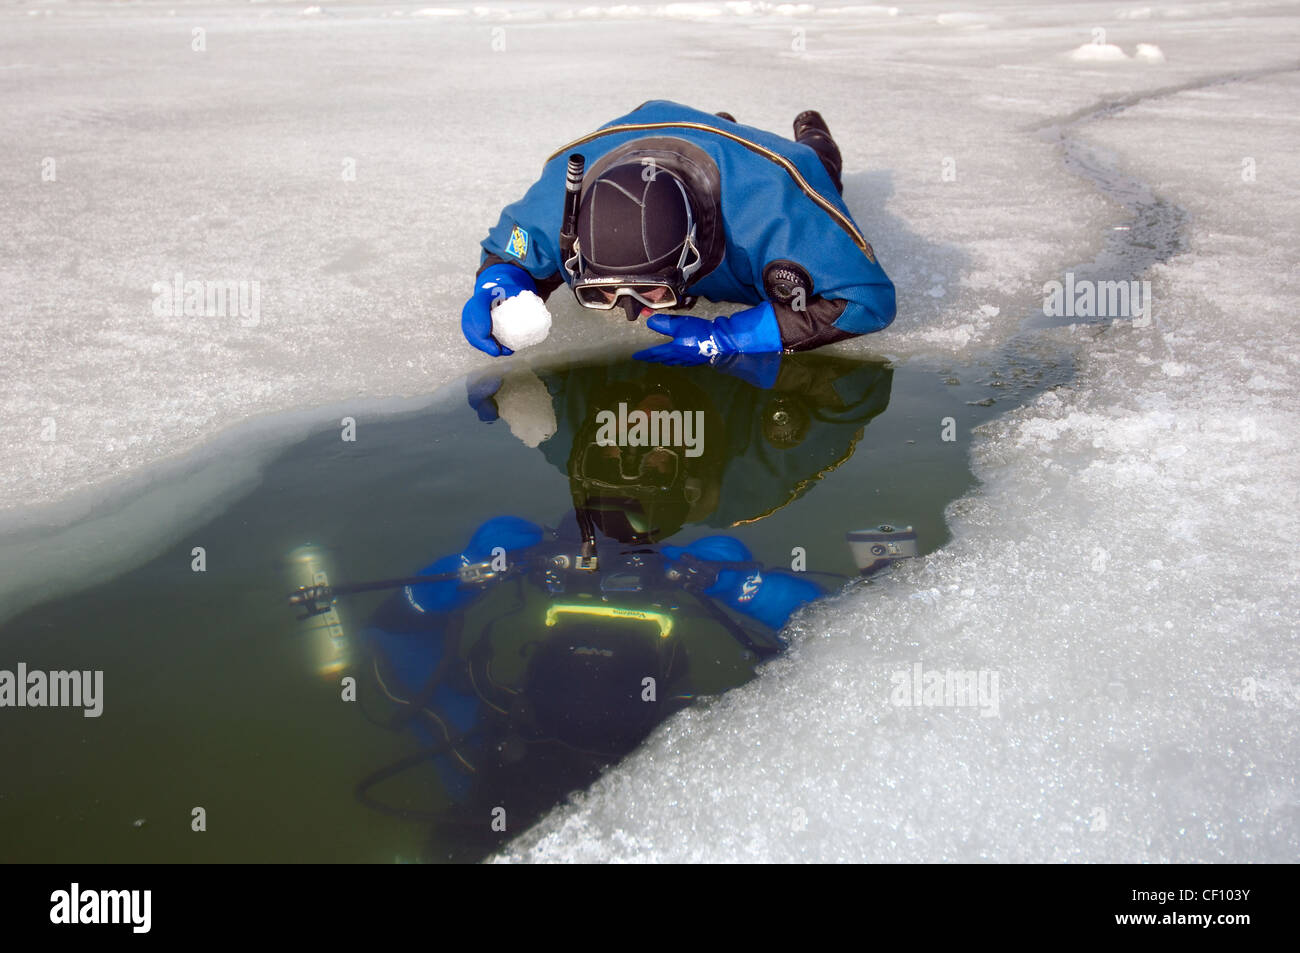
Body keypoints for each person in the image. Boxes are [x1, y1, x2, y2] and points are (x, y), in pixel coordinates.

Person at [461, 101, 896, 359]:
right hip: (637, 133)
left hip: (755, 164)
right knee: (718, 128)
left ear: (692, 249)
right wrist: (498, 285)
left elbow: (866, 299)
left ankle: (812, 135)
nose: (629, 312)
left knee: (819, 168)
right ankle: (719, 122)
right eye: (602, 292)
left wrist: (733, 338)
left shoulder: (771, 205)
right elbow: (512, 250)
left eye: (650, 291)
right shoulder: (560, 200)